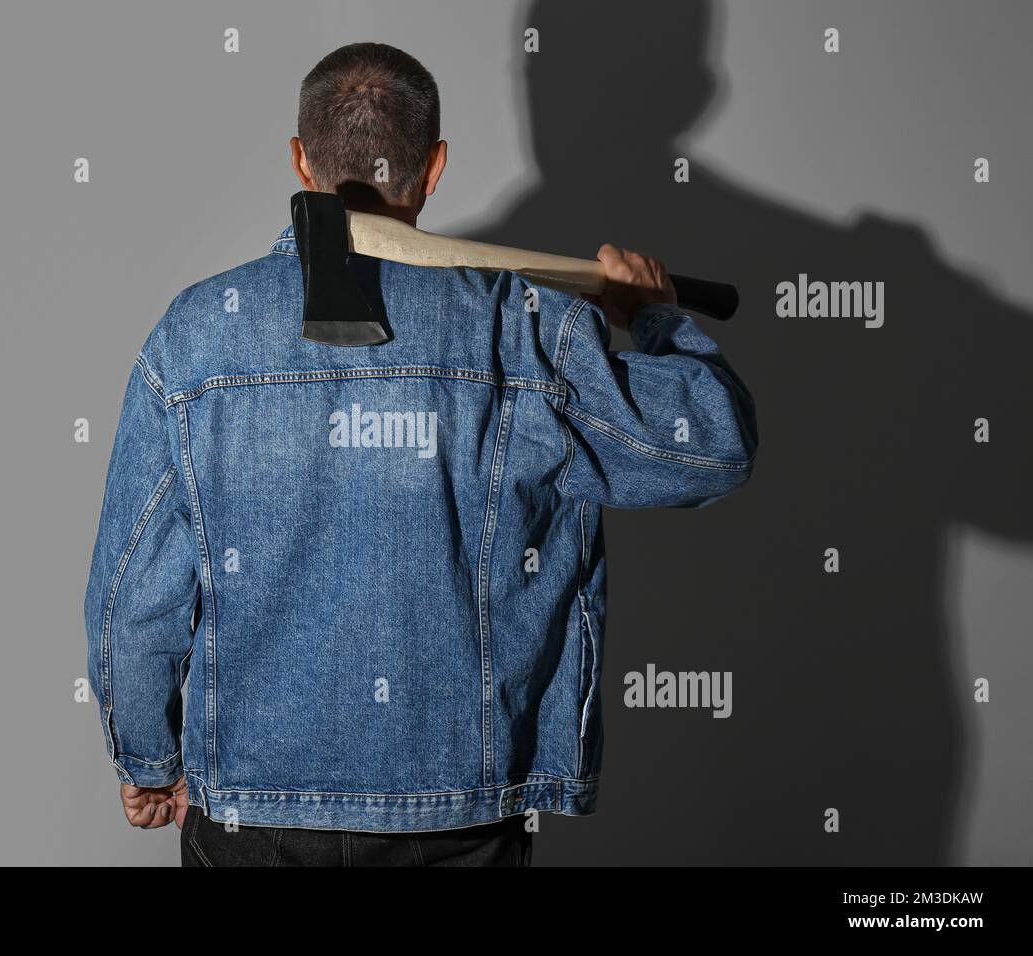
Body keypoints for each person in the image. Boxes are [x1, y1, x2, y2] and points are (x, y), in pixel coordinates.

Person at [84, 41, 758, 867]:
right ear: (434, 169)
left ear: (300, 161)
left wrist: (149, 762)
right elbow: (714, 445)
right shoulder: (528, 333)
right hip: (456, 822)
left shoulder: (195, 337)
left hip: (254, 819)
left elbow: (132, 597)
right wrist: (653, 318)